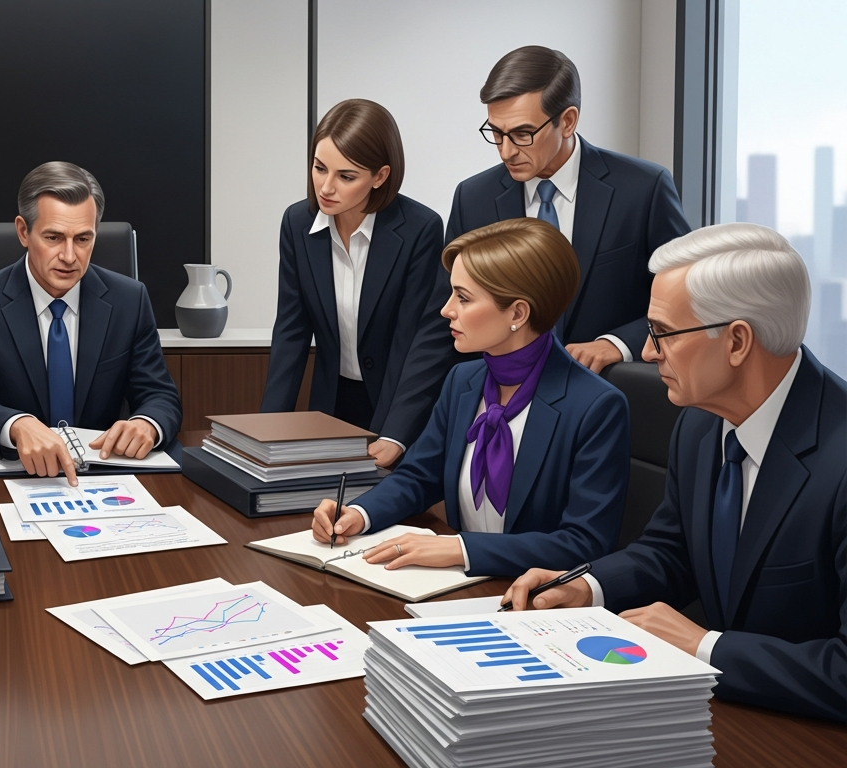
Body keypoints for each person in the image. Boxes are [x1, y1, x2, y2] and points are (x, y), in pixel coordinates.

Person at [503, 224, 846, 723]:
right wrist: (585, 585)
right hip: (723, 719)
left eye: (661, 333)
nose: (645, 353)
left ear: (736, 342)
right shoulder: (700, 421)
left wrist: (705, 646)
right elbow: (672, 550)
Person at [311, 218, 630, 577]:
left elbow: (584, 543)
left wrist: (459, 549)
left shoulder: (596, 406)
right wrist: (358, 513)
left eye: (462, 297)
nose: (446, 310)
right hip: (456, 587)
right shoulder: (463, 380)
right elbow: (418, 477)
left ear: (518, 313)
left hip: (537, 603)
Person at [436, 45, 690, 376]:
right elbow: (453, 308)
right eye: (496, 133)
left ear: (567, 121)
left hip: (610, 393)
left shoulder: (643, 188)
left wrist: (617, 343)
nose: (506, 151)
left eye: (522, 134)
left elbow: (687, 297)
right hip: (501, 397)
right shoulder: (473, 198)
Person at [0, 161, 182, 483]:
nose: (70, 256)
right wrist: (16, 425)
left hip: (102, 476)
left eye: (83, 239)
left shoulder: (129, 300)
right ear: (23, 232)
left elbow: (160, 395)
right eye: (54, 238)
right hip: (12, 476)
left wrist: (146, 424)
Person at [260, 99, 446, 468]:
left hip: (396, 405)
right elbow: (292, 332)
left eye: (346, 176)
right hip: (331, 401)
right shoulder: (297, 222)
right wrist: (266, 431)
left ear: (380, 176)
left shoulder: (420, 229)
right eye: (319, 168)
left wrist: (395, 433)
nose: (326, 187)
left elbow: (416, 341)